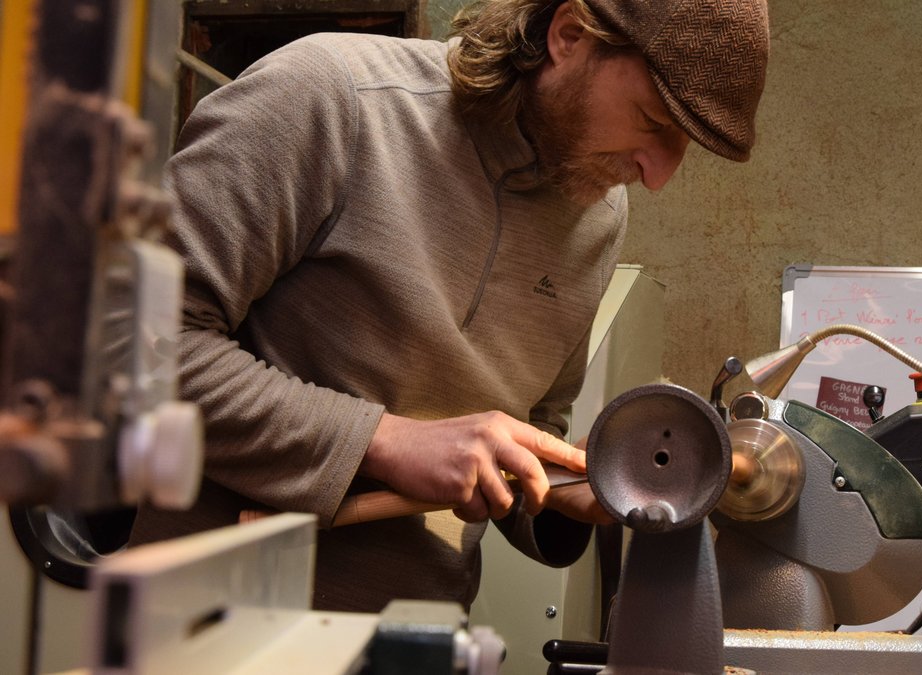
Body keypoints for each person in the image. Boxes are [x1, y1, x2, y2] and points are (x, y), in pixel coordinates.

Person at [131, 0, 770, 613]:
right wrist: (383, 442)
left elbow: (531, 423)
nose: (657, 176)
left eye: (684, 145)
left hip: (420, 635)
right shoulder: (330, 97)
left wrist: (564, 489)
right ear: (569, 36)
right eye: (654, 122)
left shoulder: (599, 214)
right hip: (212, 625)